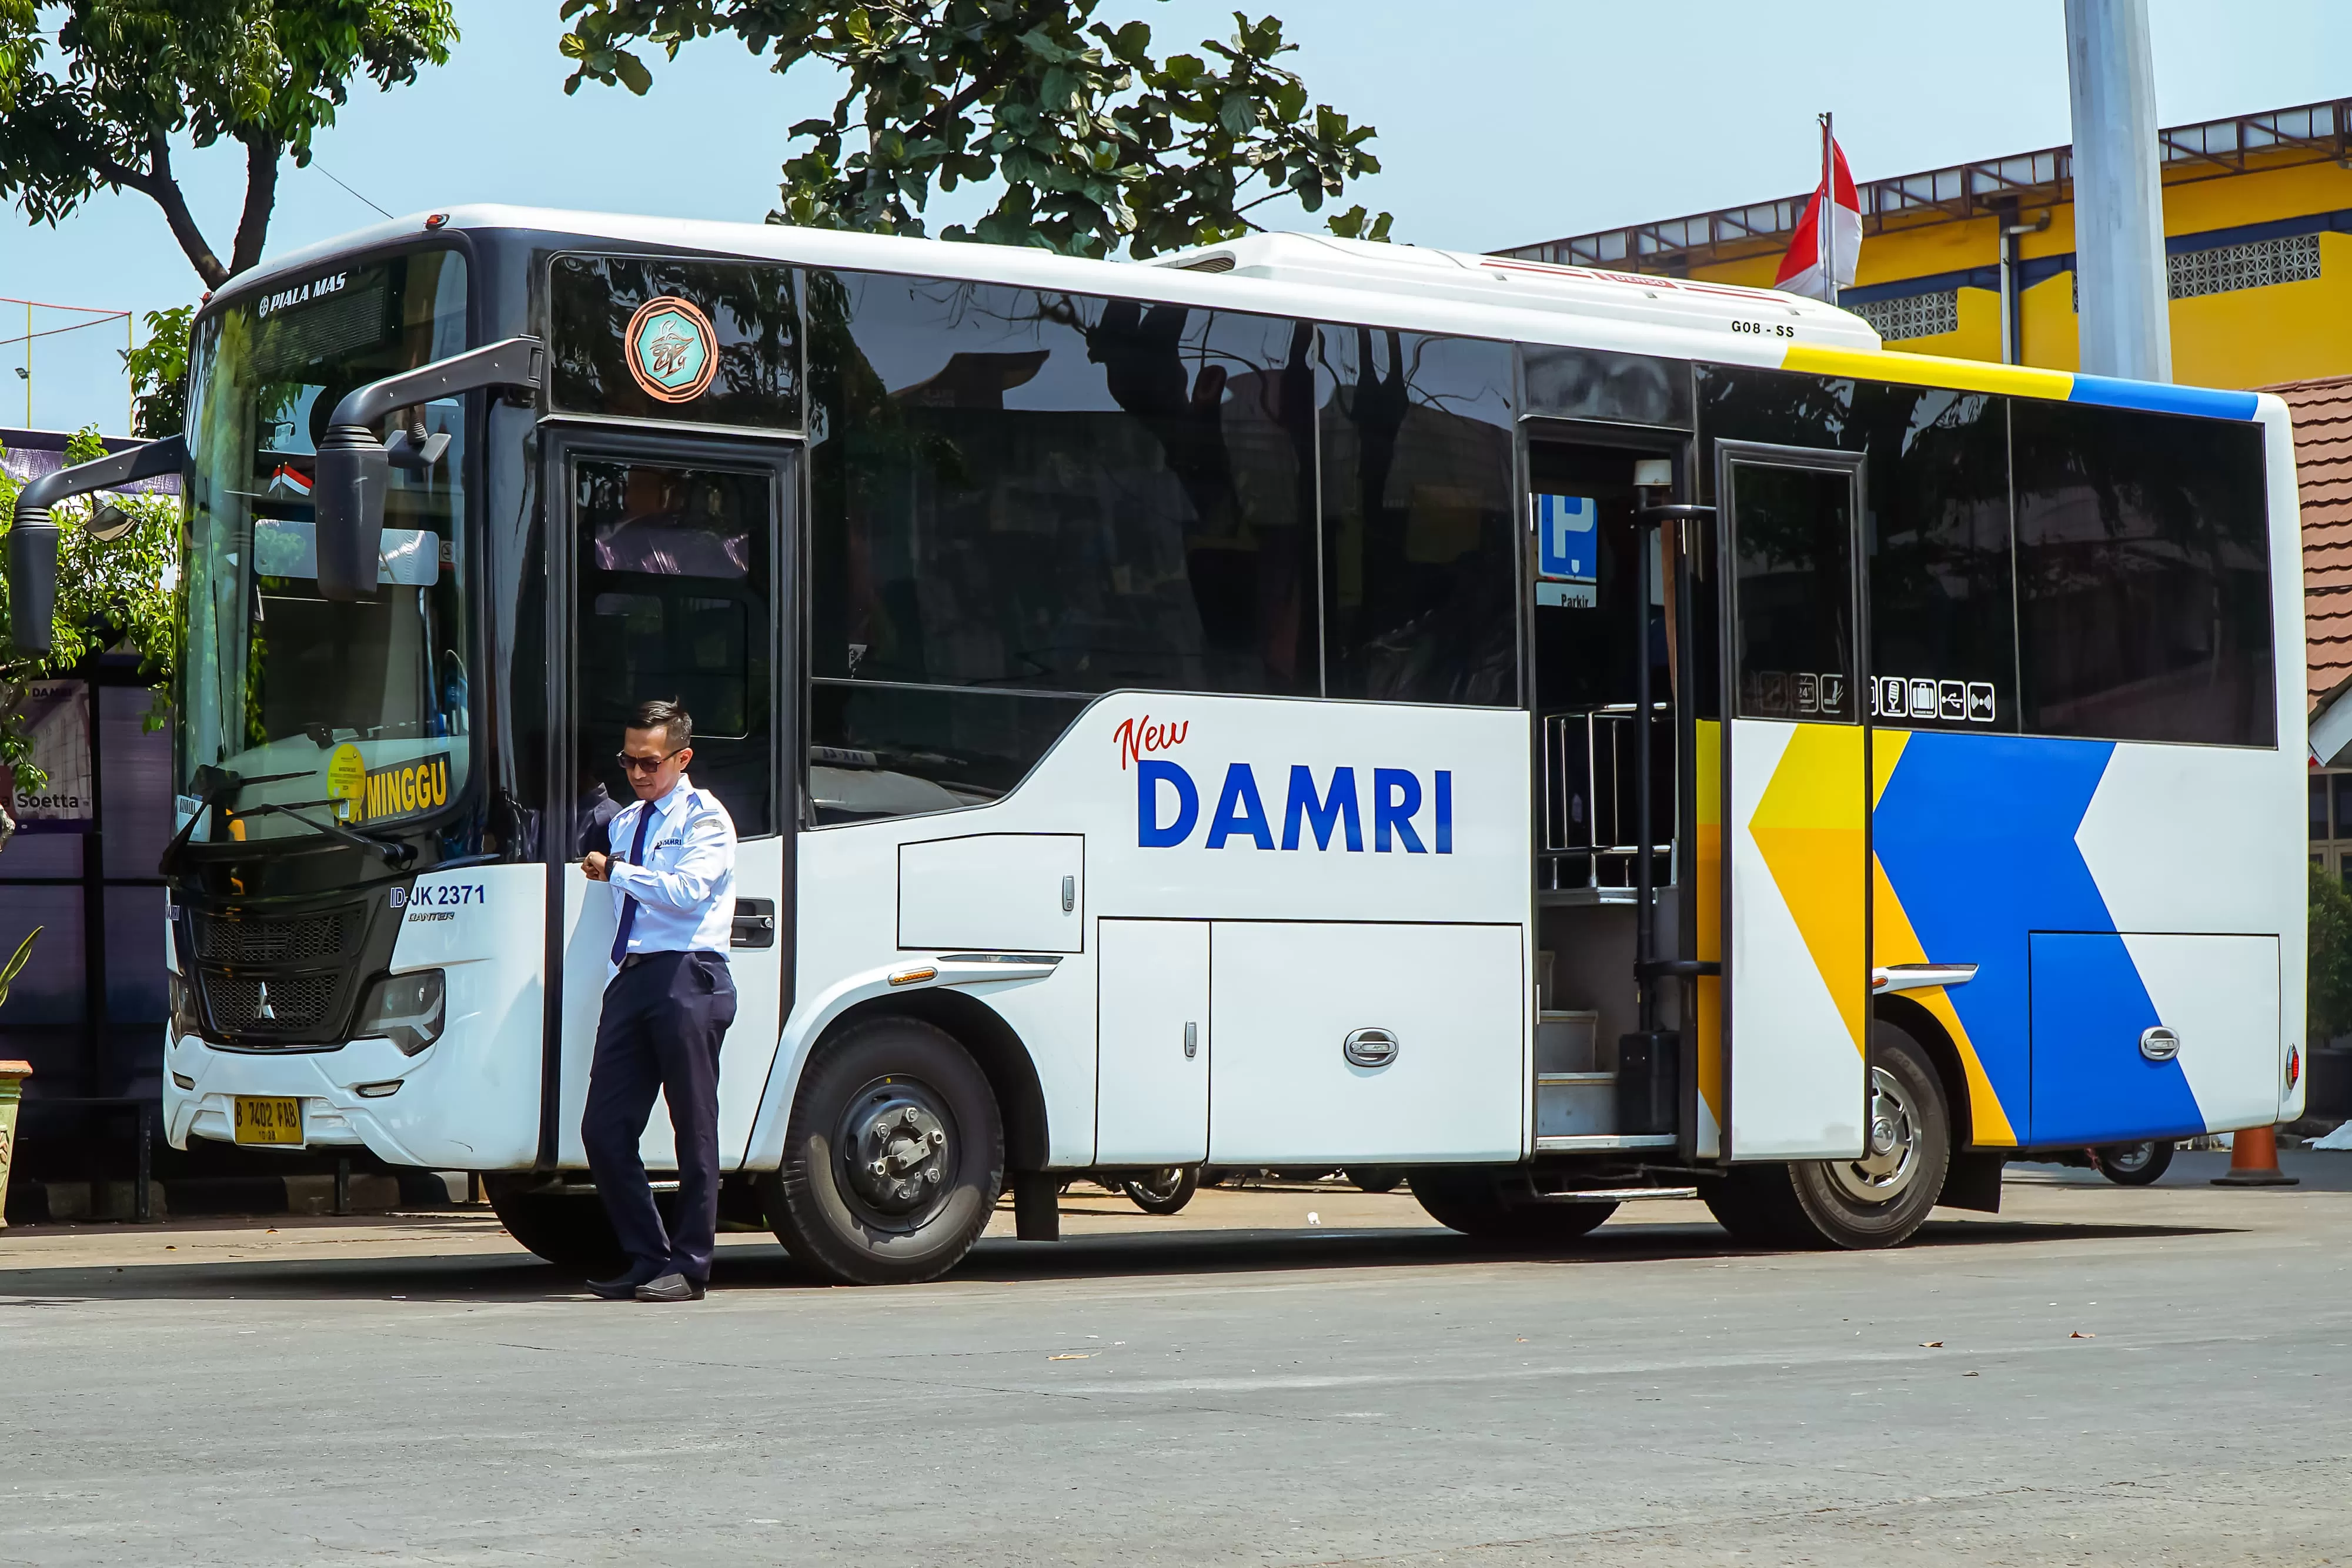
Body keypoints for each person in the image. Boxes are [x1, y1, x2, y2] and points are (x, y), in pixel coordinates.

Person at [579, 698, 739, 1302]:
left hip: (688, 973)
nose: (639, 773)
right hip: (633, 976)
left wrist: (616, 872)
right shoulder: (623, 823)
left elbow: (688, 890)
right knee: (604, 1128)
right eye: (629, 761)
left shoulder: (705, 817)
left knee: (693, 1126)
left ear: (682, 758)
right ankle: (648, 1256)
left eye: (651, 762)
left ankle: (691, 1265)